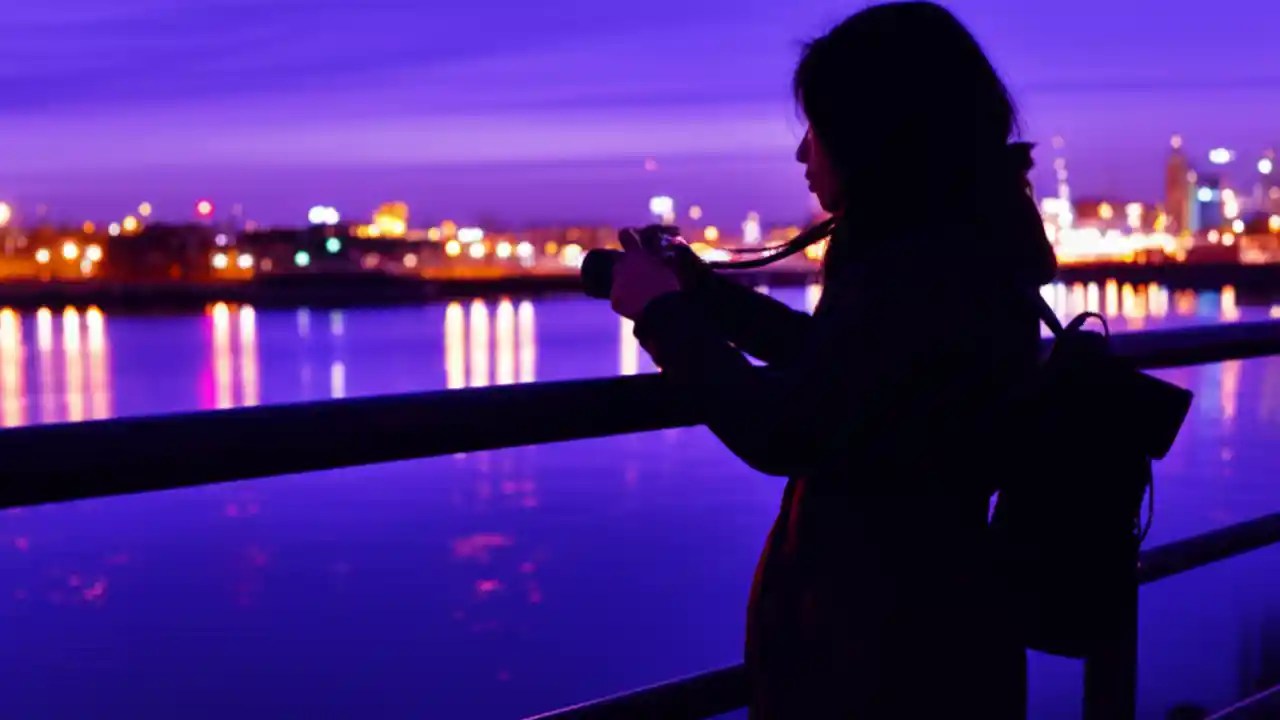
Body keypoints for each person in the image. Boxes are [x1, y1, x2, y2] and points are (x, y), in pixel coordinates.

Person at [607, 2, 1057, 718]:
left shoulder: (920, 262)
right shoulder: (965, 238)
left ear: (872, 134)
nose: (802, 154)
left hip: (876, 654)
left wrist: (661, 317)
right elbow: (847, 367)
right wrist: (702, 293)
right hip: (945, 630)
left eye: (815, 130)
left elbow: (788, 429)